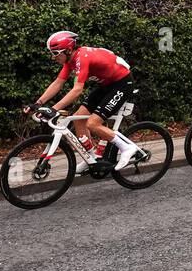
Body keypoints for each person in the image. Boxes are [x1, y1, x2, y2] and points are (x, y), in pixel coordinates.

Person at [30, 31, 142, 172]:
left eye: (56, 52)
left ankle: (128, 148)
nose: (53, 57)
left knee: (93, 123)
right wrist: (38, 103)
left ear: (68, 50)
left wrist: (54, 109)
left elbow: (77, 90)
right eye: (52, 53)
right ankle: (92, 158)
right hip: (107, 84)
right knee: (79, 120)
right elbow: (58, 83)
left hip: (122, 83)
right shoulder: (69, 61)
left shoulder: (82, 58)